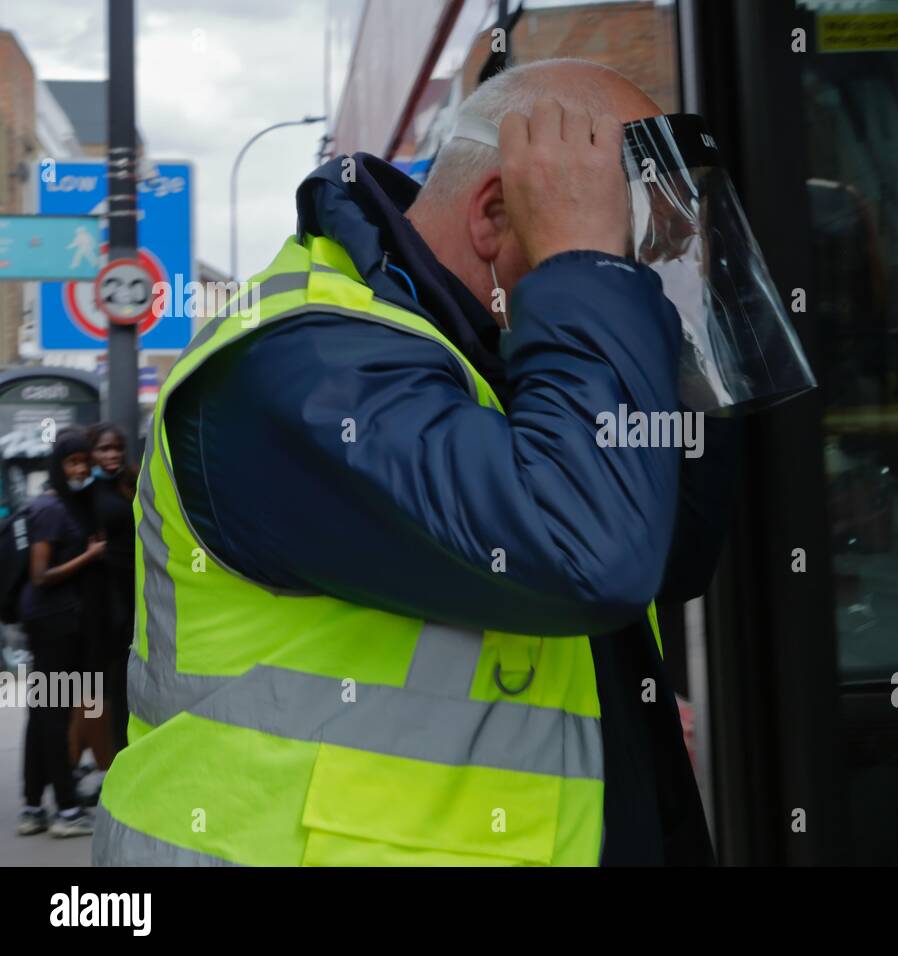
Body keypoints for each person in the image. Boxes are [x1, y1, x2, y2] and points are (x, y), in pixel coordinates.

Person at [94, 58, 739, 867]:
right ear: (496, 212)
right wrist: (584, 273)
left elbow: (673, 546)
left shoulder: (507, 354)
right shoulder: (302, 369)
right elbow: (584, 554)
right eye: (632, 259)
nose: (641, 298)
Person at [17, 428, 104, 838]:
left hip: (58, 624)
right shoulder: (51, 509)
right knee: (53, 716)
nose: (80, 469)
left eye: (84, 461)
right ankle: (66, 812)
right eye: (73, 462)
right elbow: (41, 574)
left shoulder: (67, 504)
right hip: (52, 625)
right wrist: (89, 556)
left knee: (41, 716)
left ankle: (33, 808)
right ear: (58, 464)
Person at [86, 422, 137, 756]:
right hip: (105, 599)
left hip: (134, 592)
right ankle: (106, 755)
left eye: (117, 447)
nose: (112, 454)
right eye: (104, 448)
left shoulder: (129, 481)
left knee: (123, 684)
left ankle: (120, 751)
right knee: (102, 687)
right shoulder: (87, 494)